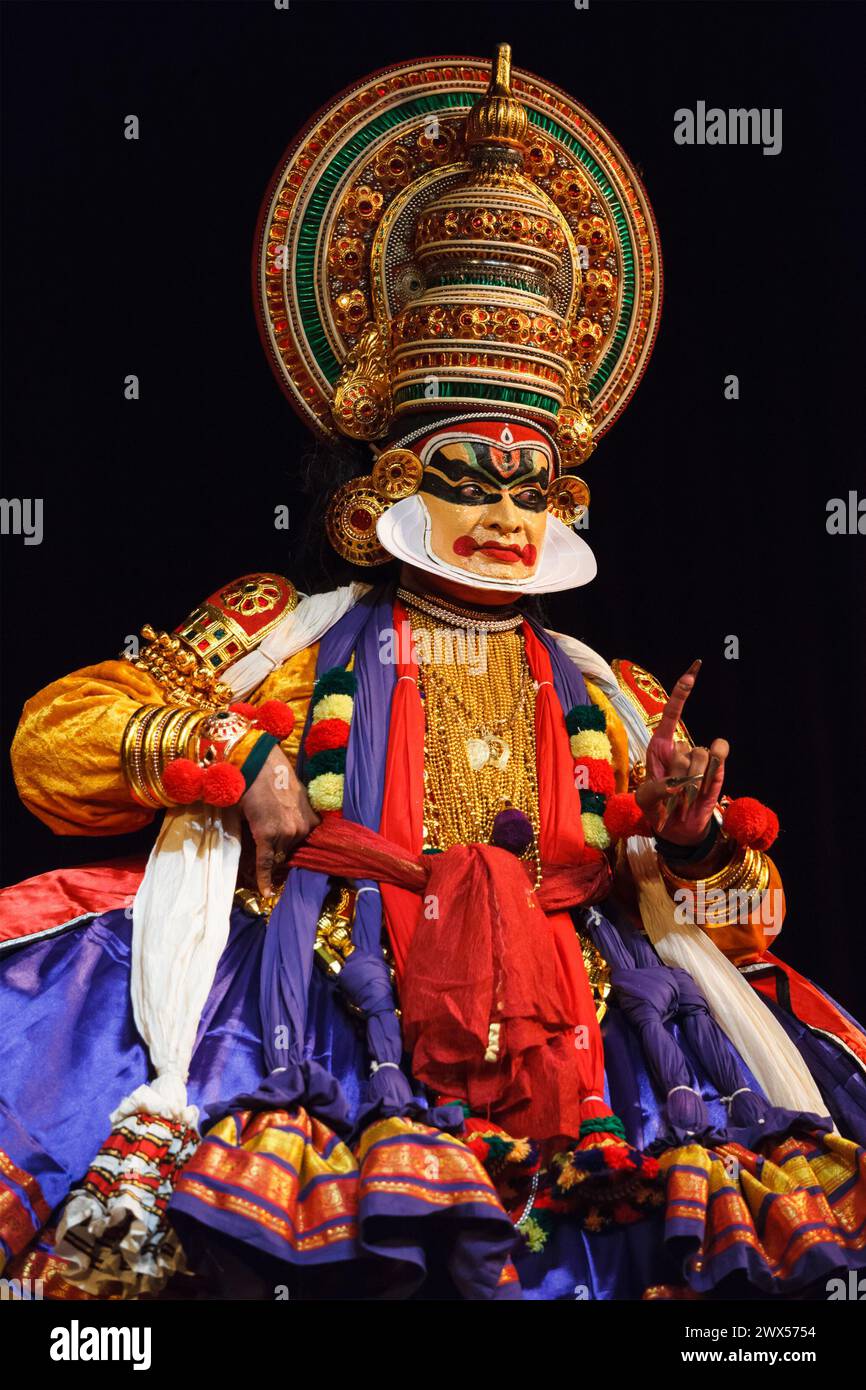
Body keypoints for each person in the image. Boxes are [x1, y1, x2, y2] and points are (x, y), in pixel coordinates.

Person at [3, 45, 866, 1302]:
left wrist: (687, 847)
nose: (507, 512)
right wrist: (234, 754)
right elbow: (50, 740)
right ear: (384, 488)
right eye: (467, 474)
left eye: (533, 485)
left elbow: (752, 920)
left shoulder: (603, 689)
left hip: (584, 1051)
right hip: (312, 1018)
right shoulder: (276, 634)